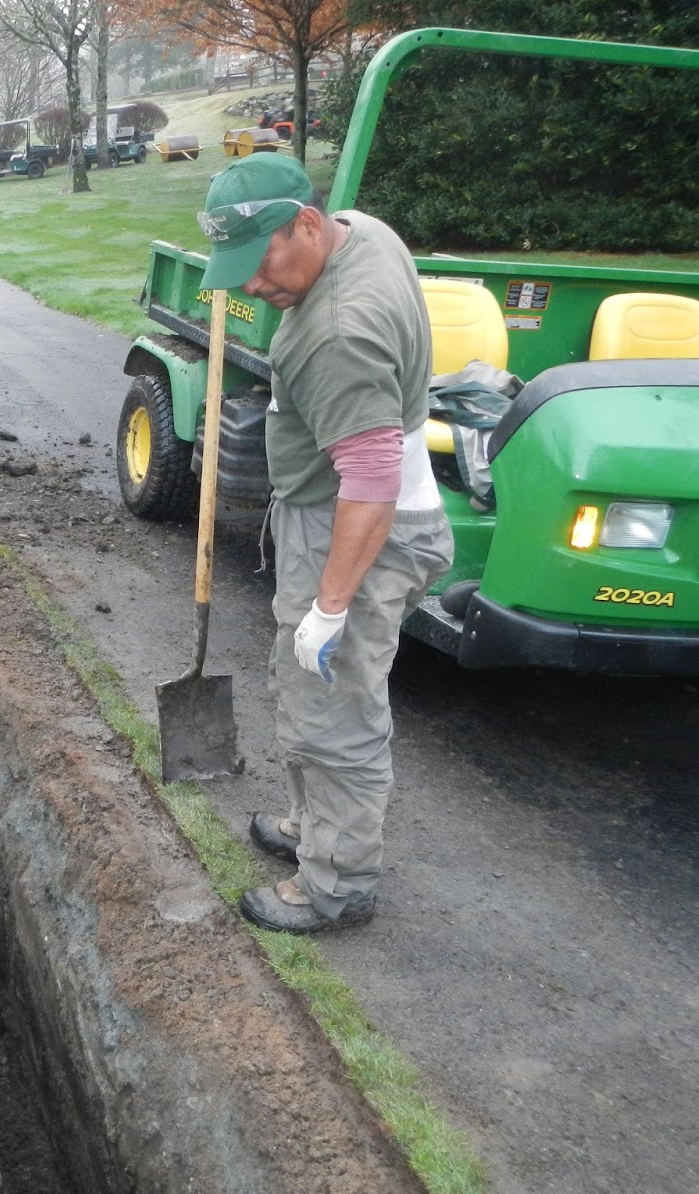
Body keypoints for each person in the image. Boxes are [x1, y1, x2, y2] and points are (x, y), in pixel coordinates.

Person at [196, 155, 454, 933]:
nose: (249, 287)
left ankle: (336, 884)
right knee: (307, 690)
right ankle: (314, 830)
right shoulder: (365, 234)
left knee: (335, 708)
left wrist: (331, 606)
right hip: (354, 508)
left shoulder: (339, 333)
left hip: (358, 529)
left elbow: (369, 484)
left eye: (260, 262)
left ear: (306, 224)